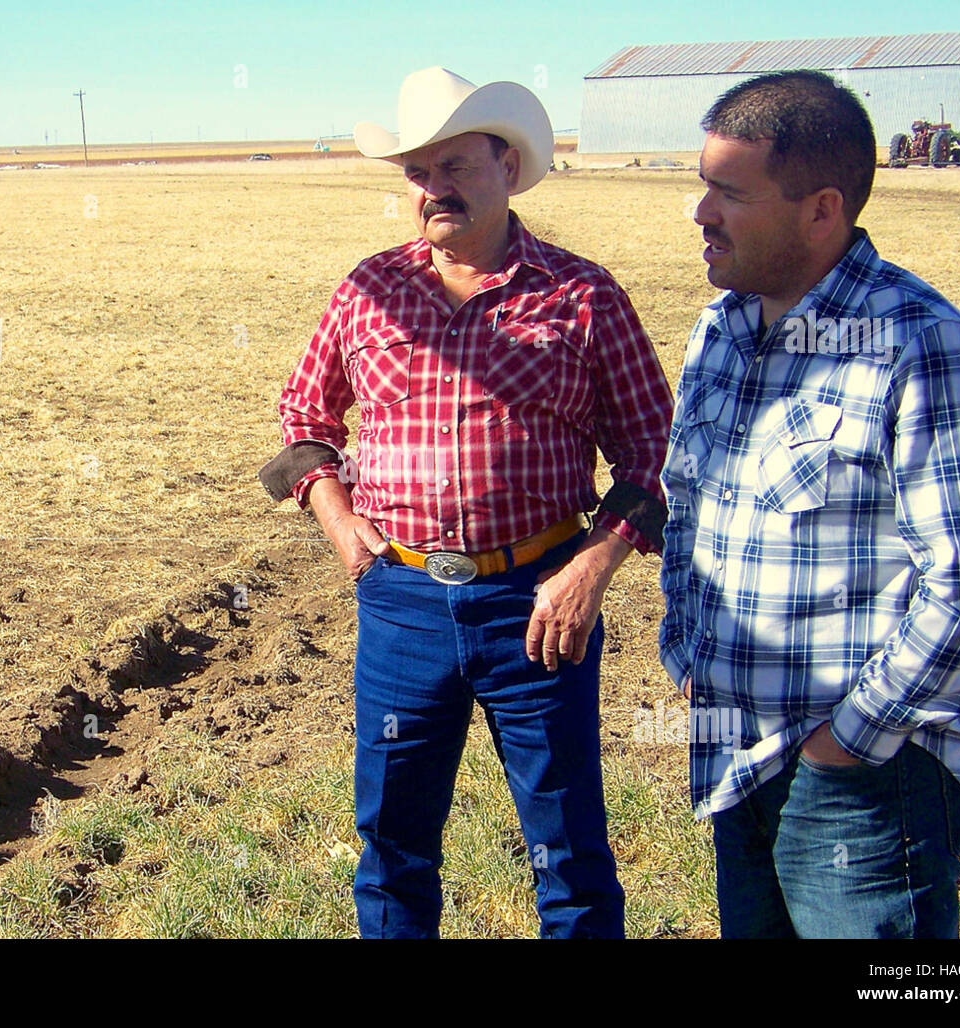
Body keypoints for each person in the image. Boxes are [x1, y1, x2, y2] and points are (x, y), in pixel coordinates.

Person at [262, 67, 673, 938]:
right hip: (402, 601)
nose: (433, 188)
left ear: (507, 164)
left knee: (568, 851)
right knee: (394, 844)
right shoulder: (369, 289)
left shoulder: (581, 295)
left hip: (539, 605)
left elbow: (651, 451)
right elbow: (303, 418)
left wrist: (594, 567)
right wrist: (340, 523)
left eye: (454, 165)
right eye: (418, 171)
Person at [658, 70, 960, 938]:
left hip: (866, 784)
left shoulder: (920, 343)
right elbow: (687, 505)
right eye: (701, 183)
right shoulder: (720, 327)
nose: (699, 212)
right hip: (734, 755)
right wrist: (686, 650)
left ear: (822, 210)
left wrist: (849, 739)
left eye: (728, 192)